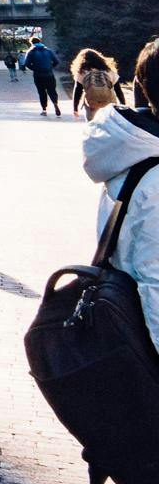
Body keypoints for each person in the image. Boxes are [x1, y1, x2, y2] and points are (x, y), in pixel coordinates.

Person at [82, 38, 159, 353]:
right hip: (143, 336)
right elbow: (156, 281)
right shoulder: (153, 171)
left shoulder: (135, 150)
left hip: (126, 324)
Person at [72, 47, 126, 120]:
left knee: (92, 124)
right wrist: (123, 105)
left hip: (92, 105)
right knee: (108, 123)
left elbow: (77, 91)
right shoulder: (109, 71)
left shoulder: (82, 72)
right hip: (109, 104)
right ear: (99, 59)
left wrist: (75, 108)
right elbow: (118, 90)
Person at [21, 39, 62, 116]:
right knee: (52, 91)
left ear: (32, 43)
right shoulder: (48, 51)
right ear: (40, 42)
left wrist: (35, 69)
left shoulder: (31, 52)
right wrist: (50, 67)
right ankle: (55, 103)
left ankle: (44, 110)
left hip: (38, 75)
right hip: (49, 75)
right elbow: (56, 61)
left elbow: (26, 64)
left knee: (42, 92)